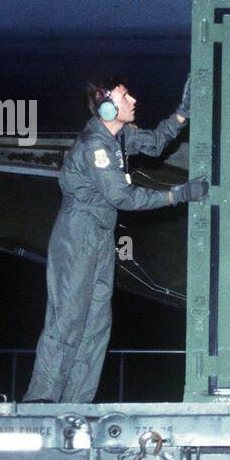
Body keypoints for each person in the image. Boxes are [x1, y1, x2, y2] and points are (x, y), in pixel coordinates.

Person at [23, 75, 208, 403]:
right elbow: (123, 197)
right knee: (68, 319)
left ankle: (75, 405)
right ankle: (41, 401)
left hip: (100, 235)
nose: (133, 100)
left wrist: (183, 113)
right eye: (125, 97)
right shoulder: (96, 146)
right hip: (77, 235)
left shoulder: (119, 136)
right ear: (108, 108)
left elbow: (152, 142)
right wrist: (177, 195)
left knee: (96, 325)